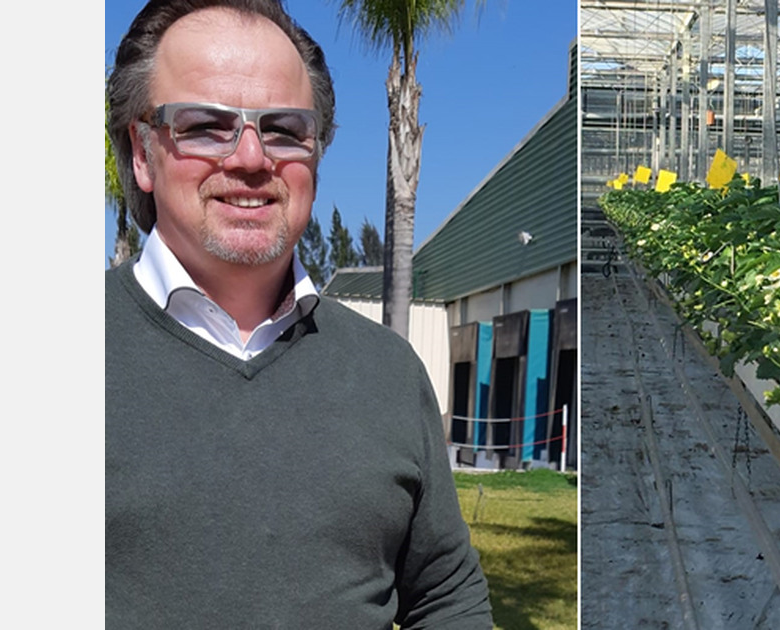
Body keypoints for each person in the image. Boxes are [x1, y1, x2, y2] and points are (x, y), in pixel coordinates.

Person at [104, 1, 493, 627]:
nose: (252, 157)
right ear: (144, 154)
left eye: (284, 128)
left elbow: (446, 596)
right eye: (206, 124)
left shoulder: (386, 371)